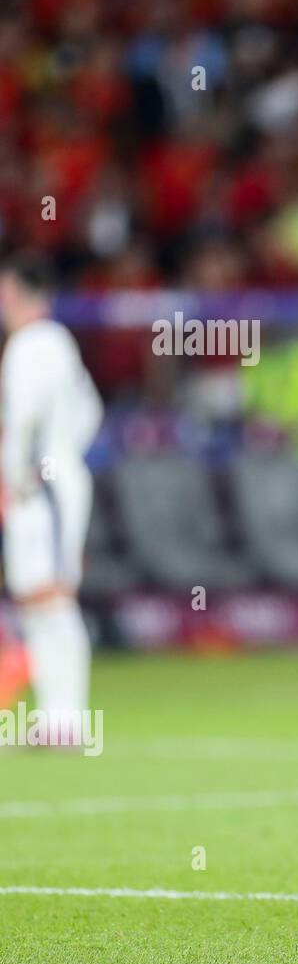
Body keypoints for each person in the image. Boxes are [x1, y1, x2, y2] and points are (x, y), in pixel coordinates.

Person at [0, 255, 102, 746]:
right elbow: (91, 411)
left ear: (16, 292)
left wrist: (20, 473)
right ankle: (56, 716)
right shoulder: (59, 342)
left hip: (40, 483)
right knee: (37, 595)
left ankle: (68, 719)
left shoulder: (30, 344)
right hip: (55, 477)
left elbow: (23, 420)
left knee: (51, 595)